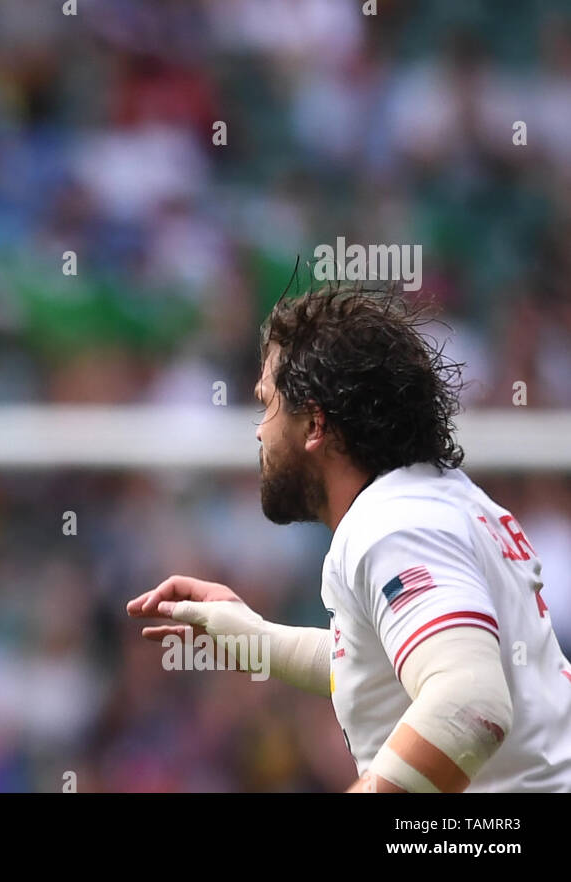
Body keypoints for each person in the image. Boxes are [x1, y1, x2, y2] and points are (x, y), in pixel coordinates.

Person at [129, 286, 571, 792]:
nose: (259, 433)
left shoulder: (393, 523)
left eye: (267, 405)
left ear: (315, 423)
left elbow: (470, 704)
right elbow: (389, 665)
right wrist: (256, 638)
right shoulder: (441, 500)